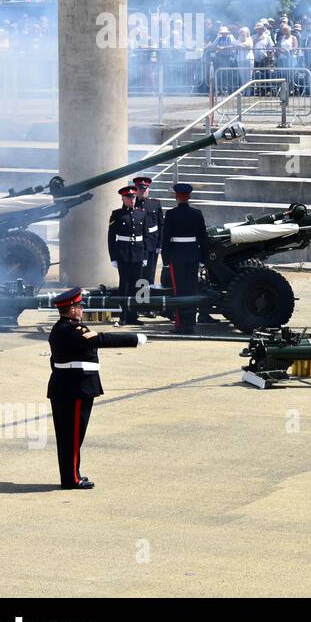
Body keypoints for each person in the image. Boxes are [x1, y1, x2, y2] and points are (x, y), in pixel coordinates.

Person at [46, 287, 146, 489]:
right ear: (71, 309)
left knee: (70, 437)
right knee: (72, 437)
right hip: (75, 388)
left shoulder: (63, 328)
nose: (82, 309)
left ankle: (71, 475)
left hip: (69, 386)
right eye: (79, 305)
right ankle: (71, 479)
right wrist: (133, 339)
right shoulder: (72, 330)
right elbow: (101, 339)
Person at [160, 183, 208, 335]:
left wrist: (166, 260)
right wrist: (202, 258)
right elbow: (203, 238)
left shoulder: (171, 214)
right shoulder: (197, 213)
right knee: (191, 289)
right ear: (189, 197)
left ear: (176, 197)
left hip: (177, 256)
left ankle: (180, 325)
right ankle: (190, 323)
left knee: (179, 291)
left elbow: (165, 239)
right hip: (193, 255)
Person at [106, 185, 147, 325]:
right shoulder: (117, 214)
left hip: (138, 253)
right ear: (123, 199)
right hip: (123, 253)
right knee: (124, 284)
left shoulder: (141, 213)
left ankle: (133, 315)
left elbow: (145, 236)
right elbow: (111, 237)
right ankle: (123, 316)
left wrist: (145, 255)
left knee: (137, 284)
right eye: (129, 197)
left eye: (133, 197)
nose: (132, 200)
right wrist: (113, 257)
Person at [132, 175, 164, 289]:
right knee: (137, 274)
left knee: (150, 273)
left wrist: (160, 244)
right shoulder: (132, 204)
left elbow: (161, 225)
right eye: (140, 189)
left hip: (152, 243)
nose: (143, 191)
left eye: (145, 189)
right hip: (137, 245)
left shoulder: (155, 204)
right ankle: (138, 299)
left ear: (148, 189)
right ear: (136, 190)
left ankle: (148, 299)